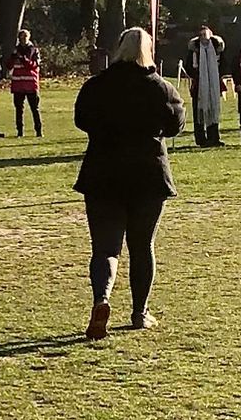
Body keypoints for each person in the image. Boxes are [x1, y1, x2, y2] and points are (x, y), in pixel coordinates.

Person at [74, 26, 184, 338]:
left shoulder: (97, 86)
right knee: (142, 246)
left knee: (105, 248)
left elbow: (81, 119)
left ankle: (102, 299)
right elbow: (175, 124)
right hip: (147, 175)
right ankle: (140, 312)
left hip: (103, 174)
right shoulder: (160, 88)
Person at [185, 24, 226, 146]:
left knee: (213, 109)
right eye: (201, 35)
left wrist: (217, 76)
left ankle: (214, 137)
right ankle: (201, 139)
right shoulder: (194, 51)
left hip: (213, 84)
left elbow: (224, 64)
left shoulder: (216, 48)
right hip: (199, 86)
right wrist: (198, 75)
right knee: (199, 111)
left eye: (206, 35)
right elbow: (189, 67)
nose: (204, 38)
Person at [7, 30, 43, 138]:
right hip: (18, 84)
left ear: (29, 37)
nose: (23, 40)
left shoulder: (34, 50)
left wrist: (23, 59)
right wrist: (13, 58)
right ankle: (20, 132)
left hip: (31, 84)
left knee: (34, 108)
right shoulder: (15, 50)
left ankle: (38, 131)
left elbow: (34, 65)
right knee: (19, 110)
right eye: (21, 38)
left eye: (25, 37)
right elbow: (9, 66)